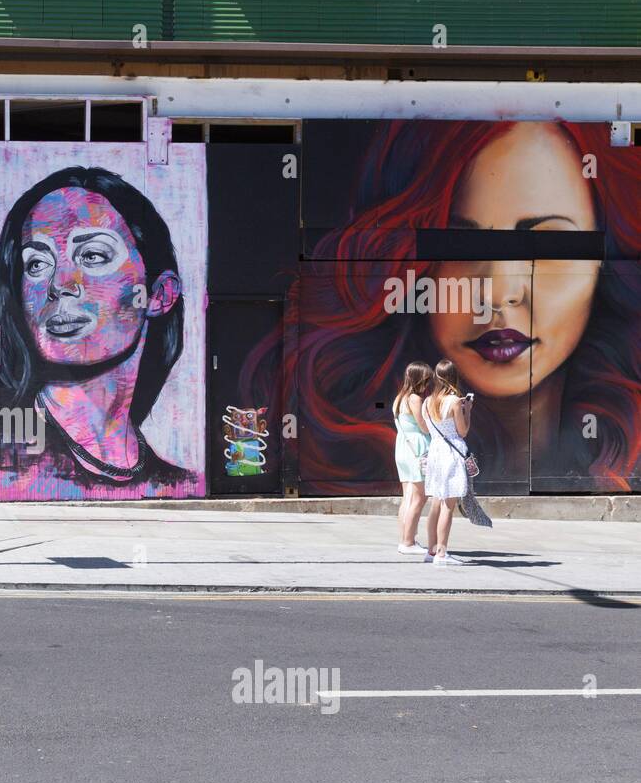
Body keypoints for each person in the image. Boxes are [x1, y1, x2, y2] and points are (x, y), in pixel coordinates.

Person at [245, 120, 641, 493]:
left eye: (550, 244)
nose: (498, 294)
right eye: (459, 245)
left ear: (603, 261)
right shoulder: (347, 451)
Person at [0, 165, 193, 498]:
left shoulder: (175, 483)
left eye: (93, 255)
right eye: (37, 264)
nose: (60, 284)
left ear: (159, 295)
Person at [423, 360, 473, 566]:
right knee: (447, 506)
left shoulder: (427, 401)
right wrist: (467, 410)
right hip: (451, 453)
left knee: (436, 503)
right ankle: (442, 552)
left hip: (435, 452)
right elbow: (463, 432)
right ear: (454, 376)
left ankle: (432, 550)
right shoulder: (453, 401)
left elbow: (426, 430)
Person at [393, 361, 433, 554]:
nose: (428, 384)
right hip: (417, 449)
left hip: (403, 448)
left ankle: (405, 539)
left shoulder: (399, 397)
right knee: (419, 497)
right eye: (426, 380)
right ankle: (408, 542)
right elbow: (424, 427)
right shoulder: (415, 399)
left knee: (407, 496)